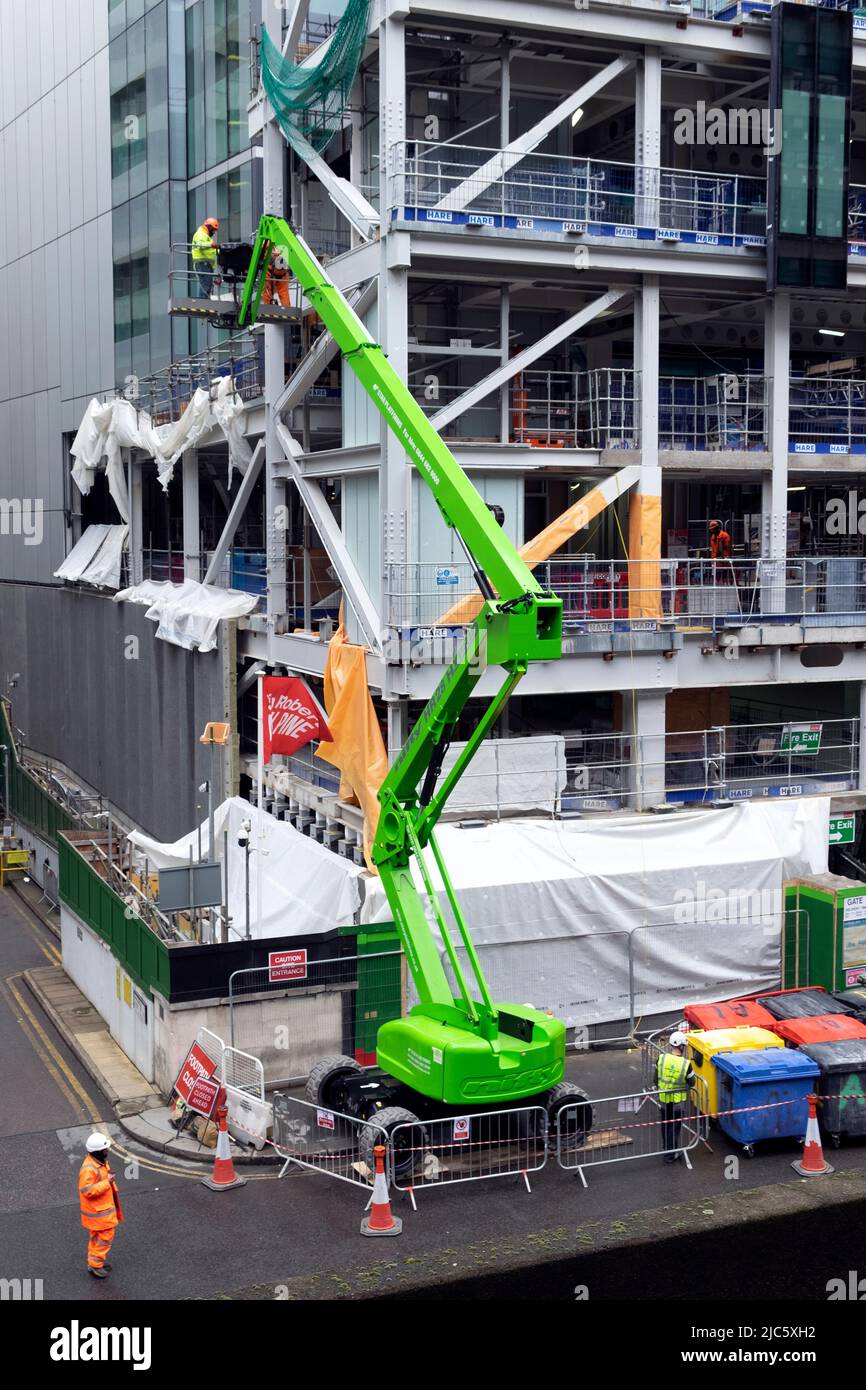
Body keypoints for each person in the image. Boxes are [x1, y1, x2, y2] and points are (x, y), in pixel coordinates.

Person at [78, 1132, 124, 1280]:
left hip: (101, 1210)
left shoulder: (100, 1161)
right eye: (106, 1149)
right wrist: (108, 1182)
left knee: (96, 1238)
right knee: (105, 1237)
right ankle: (96, 1266)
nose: (108, 1151)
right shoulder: (88, 1169)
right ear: (99, 1151)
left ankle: (94, 1261)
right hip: (99, 1213)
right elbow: (88, 1191)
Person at [657, 1031, 694, 1164]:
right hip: (677, 1102)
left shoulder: (662, 1058)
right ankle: (670, 1155)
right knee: (674, 1127)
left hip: (663, 1100)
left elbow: (656, 1078)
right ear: (681, 1047)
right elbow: (692, 1082)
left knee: (665, 1125)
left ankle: (666, 1148)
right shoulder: (685, 1064)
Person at [191, 216, 220, 298]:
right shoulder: (201, 234)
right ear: (209, 227)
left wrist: (221, 251)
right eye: (213, 230)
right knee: (205, 285)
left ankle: (205, 303)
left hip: (206, 265)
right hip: (202, 264)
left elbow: (211, 251)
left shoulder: (206, 236)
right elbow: (200, 245)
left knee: (207, 285)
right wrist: (211, 245)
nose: (214, 232)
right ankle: (203, 304)